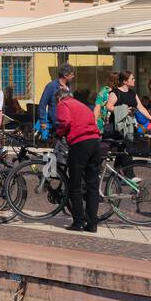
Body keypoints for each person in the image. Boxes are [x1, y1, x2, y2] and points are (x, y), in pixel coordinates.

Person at [54, 88, 101, 233]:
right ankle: (92, 224)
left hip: (79, 144)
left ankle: (78, 222)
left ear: (59, 98)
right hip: (95, 143)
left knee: (74, 185)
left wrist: (59, 133)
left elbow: (66, 122)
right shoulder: (82, 105)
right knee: (92, 186)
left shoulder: (63, 104)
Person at [36, 63, 75, 139]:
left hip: (69, 121)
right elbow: (42, 104)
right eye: (72, 74)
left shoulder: (69, 86)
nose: (73, 76)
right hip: (57, 121)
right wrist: (43, 121)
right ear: (65, 75)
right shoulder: (51, 86)